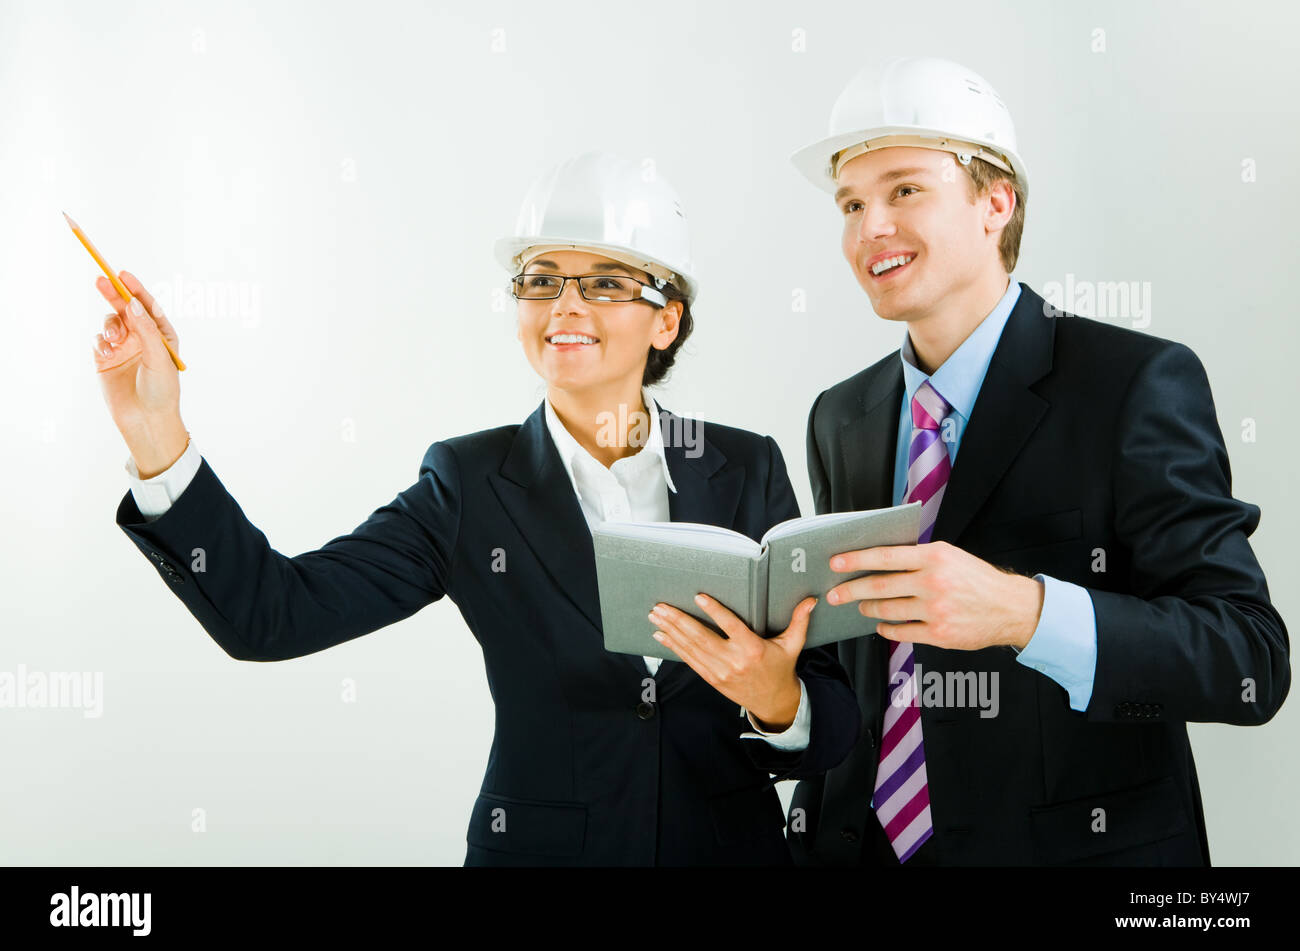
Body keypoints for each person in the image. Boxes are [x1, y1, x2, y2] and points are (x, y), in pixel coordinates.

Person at [92, 151, 859, 866]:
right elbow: (273, 614)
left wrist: (776, 699)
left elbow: (831, 715)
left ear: (667, 320)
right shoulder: (469, 481)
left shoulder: (746, 465)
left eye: (605, 281)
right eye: (541, 278)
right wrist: (155, 430)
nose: (564, 303)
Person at [783, 57, 1289, 866]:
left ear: (996, 202)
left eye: (905, 190)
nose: (868, 227)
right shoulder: (841, 415)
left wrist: (1024, 614)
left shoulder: (1130, 383)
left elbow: (1247, 660)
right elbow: (860, 675)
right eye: (851, 203)